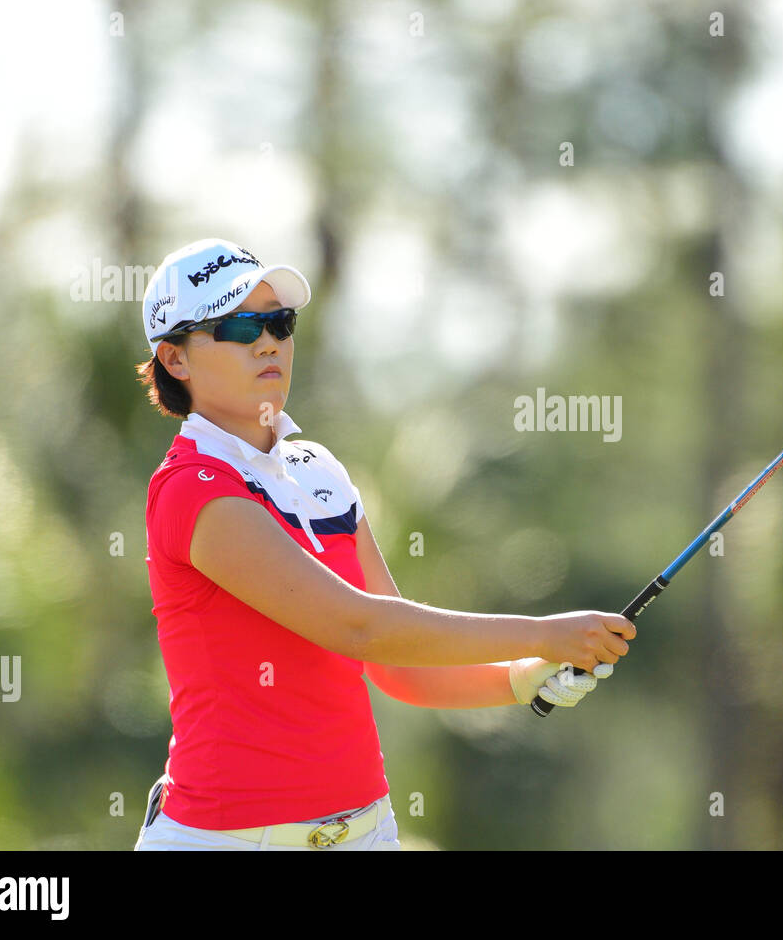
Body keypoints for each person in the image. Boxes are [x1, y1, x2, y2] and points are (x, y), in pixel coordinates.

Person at [130, 237, 634, 850]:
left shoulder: (319, 469)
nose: (268, 341)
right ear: (174, 360)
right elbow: (358, 627)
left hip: (366, 833)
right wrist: (542, 633)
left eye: (279, 322)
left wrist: (521, 677)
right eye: (238, 325)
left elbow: (393, 666)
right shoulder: (191, 488)